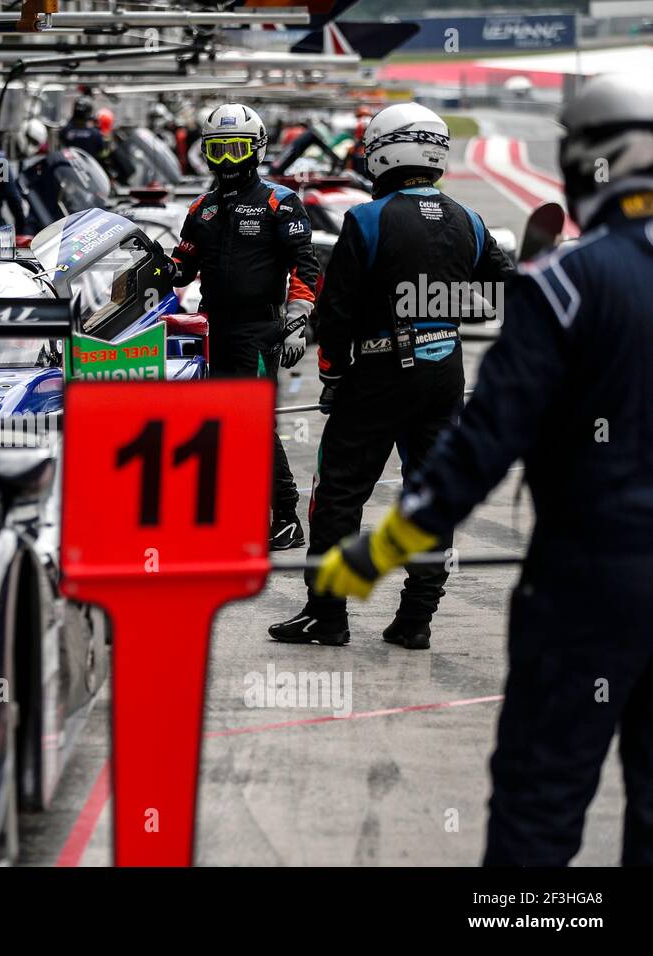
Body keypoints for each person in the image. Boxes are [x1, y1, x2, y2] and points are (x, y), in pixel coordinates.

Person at [313, 74, 653, 865]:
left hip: (588, 585)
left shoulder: (565, 287)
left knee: (542, 800)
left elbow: (477, 453)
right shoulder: (512, 256)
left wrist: (376, 552)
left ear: (578, 164)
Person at [268, 102, 515, 649]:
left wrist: (332, 376)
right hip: (445, 370)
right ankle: (416, 619)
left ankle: (327, 616)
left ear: (382, 151)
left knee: (337, 493)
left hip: (379, 373)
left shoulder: (368, 218)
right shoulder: (468, 219)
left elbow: (336, 315)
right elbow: (509, 286)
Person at [163, 103, 319, 551]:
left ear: (256, 149)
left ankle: (286, 518)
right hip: (209, 331)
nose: (227, 160)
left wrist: (297, 321)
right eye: (218, 150)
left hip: (259, 331)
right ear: (206, 153)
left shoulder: (280, 201)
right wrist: (153, 266)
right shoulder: (201, 208)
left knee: (252, 424)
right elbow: (182, 267)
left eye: (236, 149)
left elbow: (305, 266)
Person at [60, 96, 111, 168]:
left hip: (69, 169)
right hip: (91, 170)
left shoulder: (65, 131)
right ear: (89, 113)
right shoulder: (95, 134)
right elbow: (103, 153)